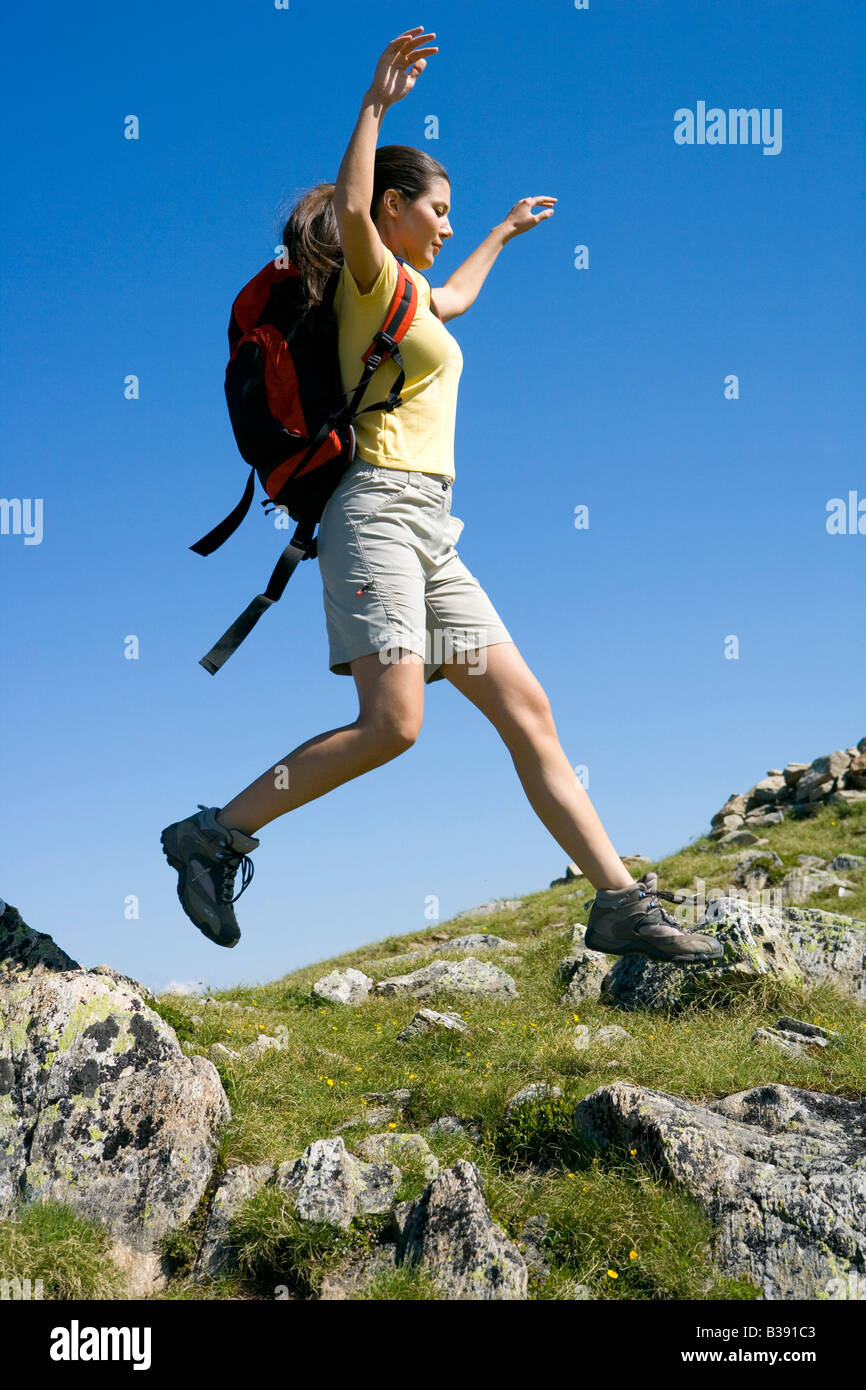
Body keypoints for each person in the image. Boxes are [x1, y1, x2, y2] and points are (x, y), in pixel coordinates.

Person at [161, 26, 723, 969]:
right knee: (396, 725)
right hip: (373, 512)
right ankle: (216, 833)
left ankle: (620, 903)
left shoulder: (415, 299)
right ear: (392, 209)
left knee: (528, 709)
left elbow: (456, 298)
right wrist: (375, 104)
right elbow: (349, 201)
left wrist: (503, 231)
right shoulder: (366, 280)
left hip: (433, 528)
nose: (449, 224)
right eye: (442, 209)